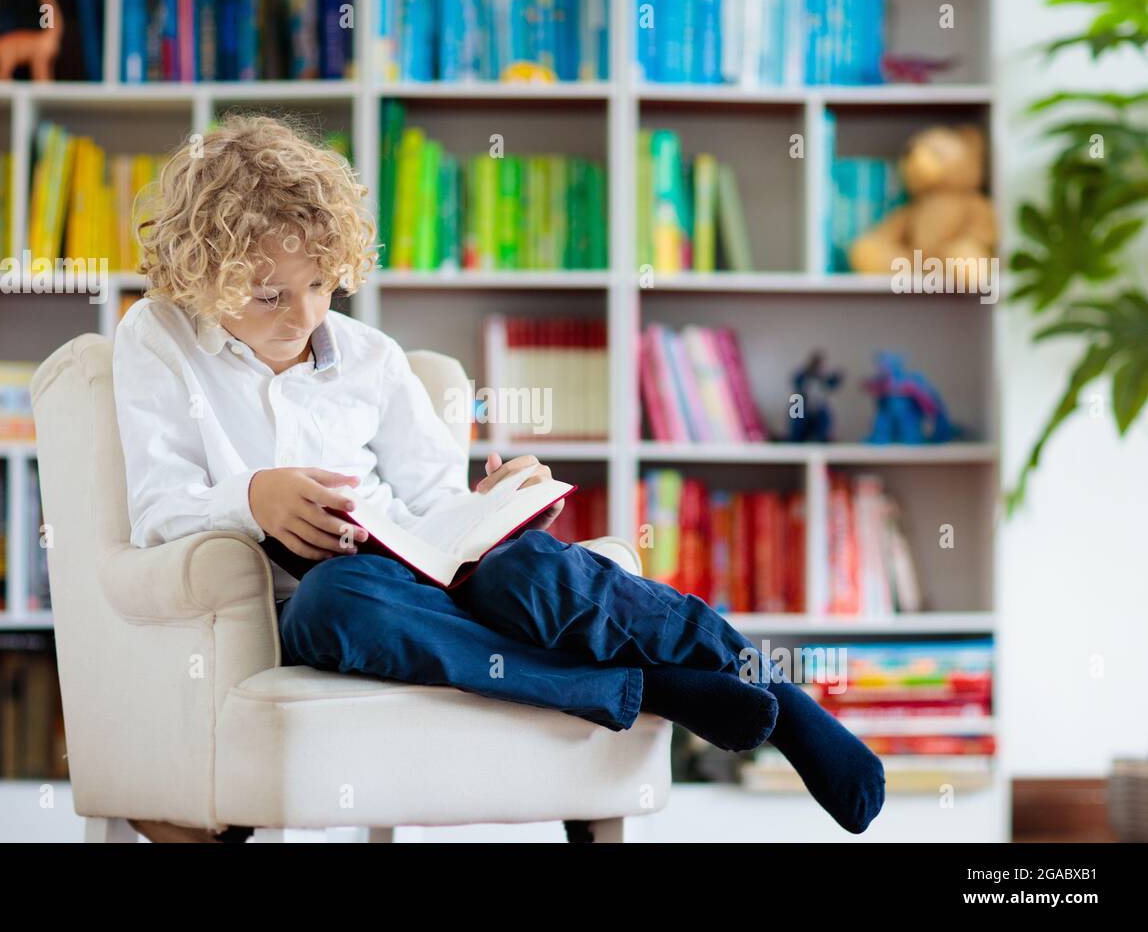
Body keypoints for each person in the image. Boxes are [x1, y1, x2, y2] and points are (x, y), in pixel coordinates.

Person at [112, 113, 885, 842]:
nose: (301, 315)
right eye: (267, 295)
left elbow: (432, 497)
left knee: (531, 570)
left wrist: (490, 508)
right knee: (337, 602)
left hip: (426, 566)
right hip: (327, 598)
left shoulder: (371, 357)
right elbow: (157, 506)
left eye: (319, 285)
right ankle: (651, 691)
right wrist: (253, 499)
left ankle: (774, 695)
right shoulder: (158, 338)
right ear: (204, 272)